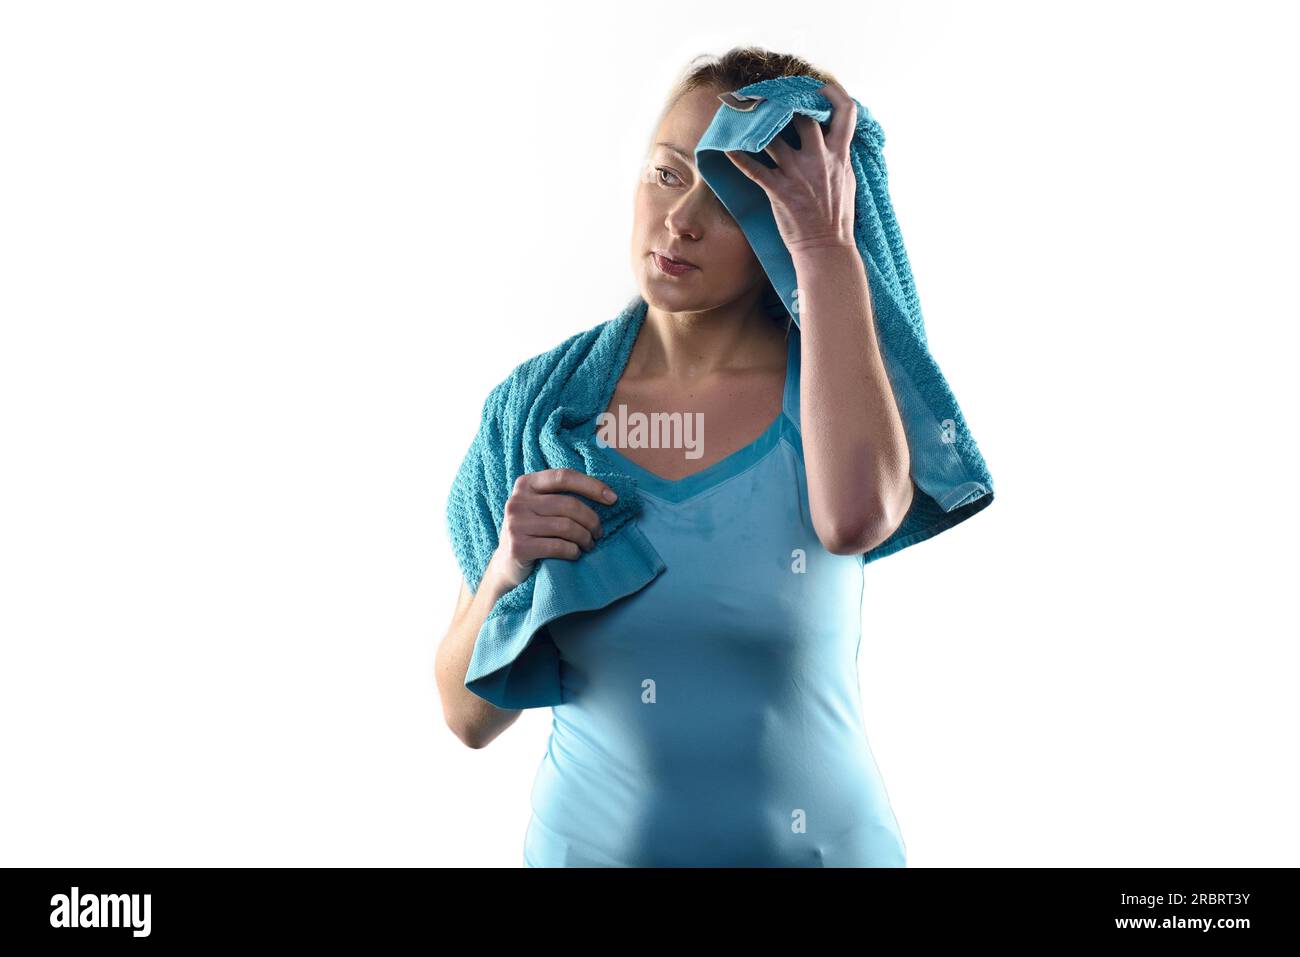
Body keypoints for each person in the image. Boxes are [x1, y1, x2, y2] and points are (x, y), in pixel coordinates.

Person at [435, 47, 916, 866]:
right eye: (666, 174)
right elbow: (468, 716)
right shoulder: (546, 411)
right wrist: (505, 571)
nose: (681, 219)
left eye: (728, 197)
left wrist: (830, 251)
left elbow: (858, 515)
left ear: (783, 219)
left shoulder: (836, 383)